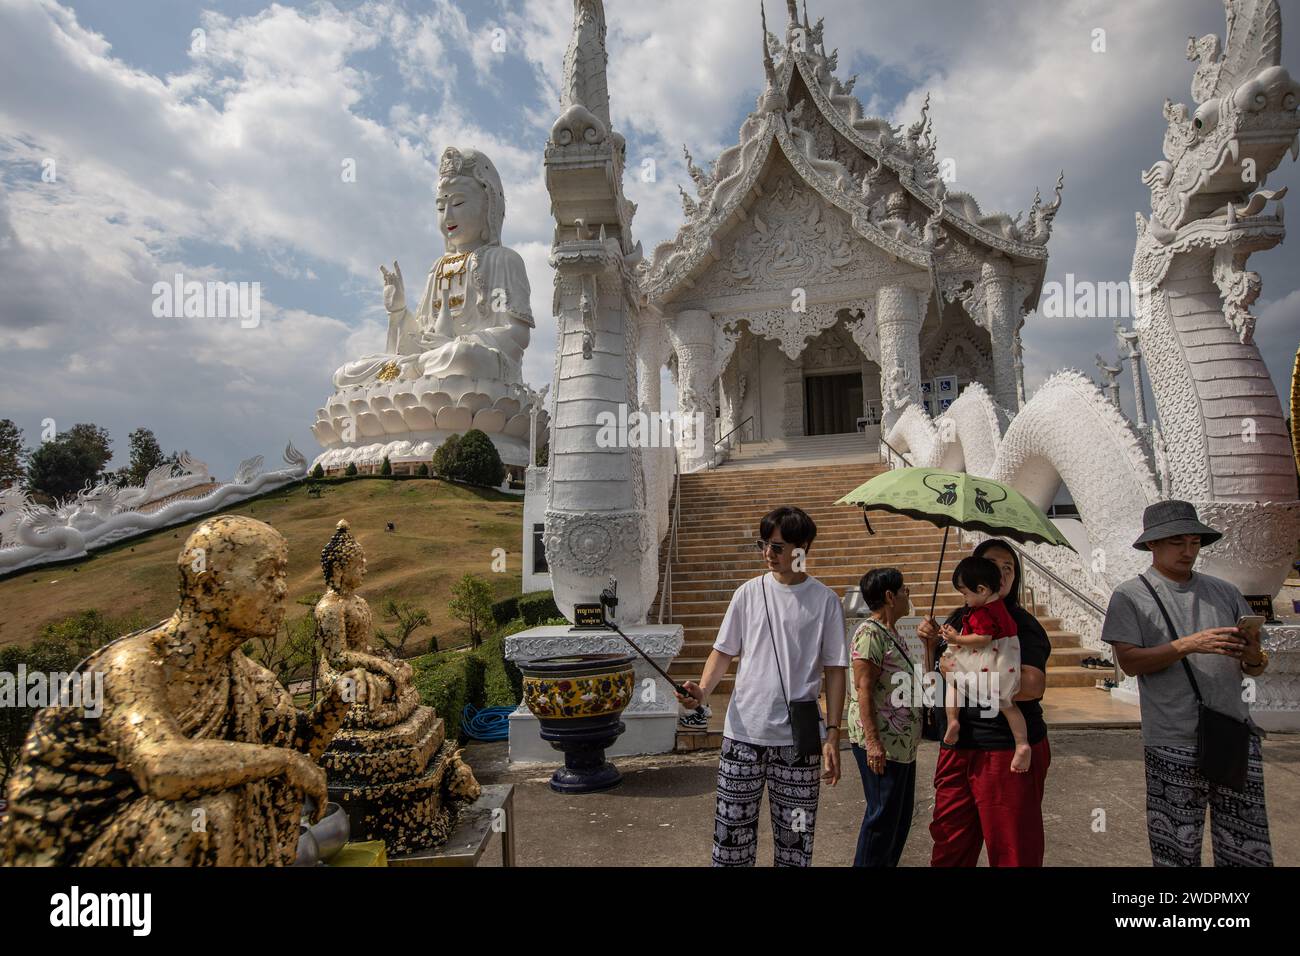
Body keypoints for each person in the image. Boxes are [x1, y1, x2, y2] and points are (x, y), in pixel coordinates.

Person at [1101, 500, 1272, 867]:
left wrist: (1253, 653)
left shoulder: (1224, 592)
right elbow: (1129, 663)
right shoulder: (1131, 595)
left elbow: (1253, 669)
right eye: (1177, 542)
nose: (1188, 551)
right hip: (1173, 737)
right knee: (1176, 845)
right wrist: (1188, 644)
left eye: (1194, 542)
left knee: (1246, 845)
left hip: (1233, 732)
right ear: (1153, 545)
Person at [677, 506, 848, 867]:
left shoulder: (826, 602)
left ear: (803, 548)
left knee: (796, 845)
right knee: (730, 846)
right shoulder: (747, 593)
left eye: (778, 547)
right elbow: (723, 652)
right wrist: (702, 692)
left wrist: (832, 734)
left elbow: (835, 671)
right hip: (742, 737)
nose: (769, 554)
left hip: (798, 744)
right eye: (764, 545)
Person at [919, 538, 1053, 867]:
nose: (1003, 574)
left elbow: (1032, 686)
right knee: (949, 845)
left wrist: (965, 675)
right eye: (994, 566)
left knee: (1012, 851)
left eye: (1009, 568)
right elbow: (937, 678)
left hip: (1004, 751)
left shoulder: (1020, 625)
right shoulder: (958, 620)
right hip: (957, 747)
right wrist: (928, 647)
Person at [847, 568, 930, 866]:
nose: (909, 595)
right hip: (882, 745)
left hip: (901, 746)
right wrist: (873, 743)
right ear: (890, 596)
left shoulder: (892, 632)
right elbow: (863, 690)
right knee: (881, 819)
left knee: (898, 819)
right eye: (904, 590)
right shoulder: (869, 633)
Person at [940, 556, 1029, 773]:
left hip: (987, 663)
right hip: (1005, 664)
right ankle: (1022, 743)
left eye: (965, 594)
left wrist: (956, 639)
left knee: (951, 676)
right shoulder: (1000, 608)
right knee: (1009, 706)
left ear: (981, 590)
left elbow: (982, 639)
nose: (965, 599)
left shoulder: (984, 612)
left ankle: (952, 719)